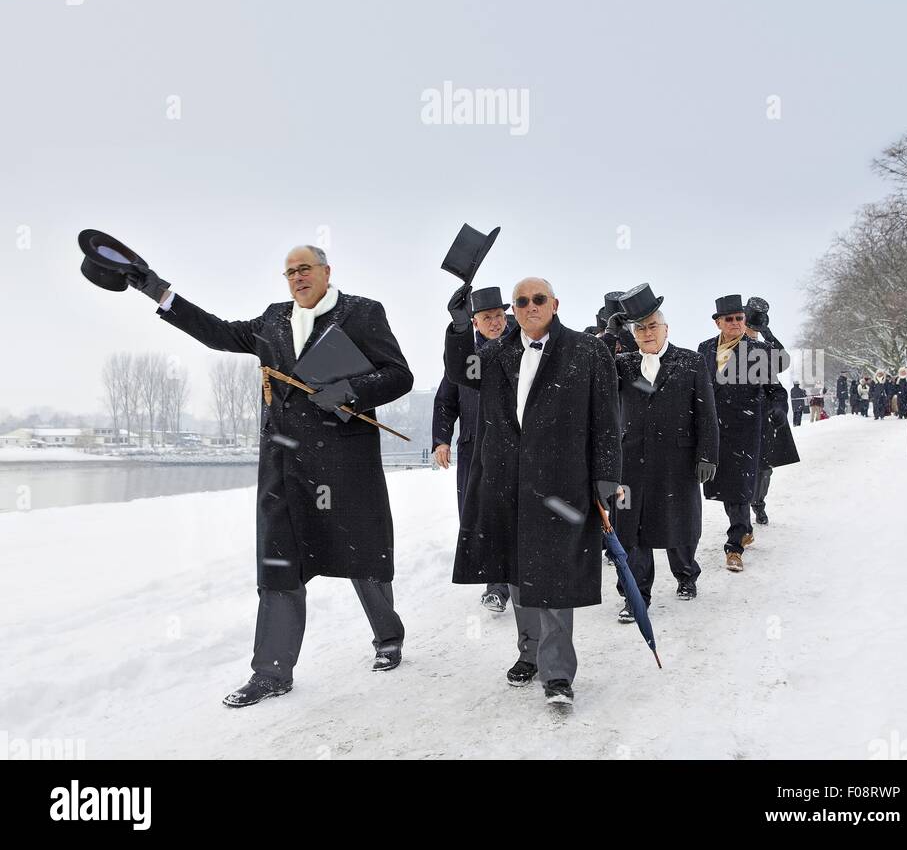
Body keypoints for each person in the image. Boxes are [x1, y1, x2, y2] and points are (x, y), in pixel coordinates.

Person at [128, 243, 413, 707]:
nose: (297, 277)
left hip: (344, 460)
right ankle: (272, 672)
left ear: (326, 271)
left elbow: (398, 375)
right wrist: (160, 293)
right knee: (279, 561)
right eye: (289, 272)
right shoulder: (272, 319)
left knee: (361, 551)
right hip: (285, 462)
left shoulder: (362, 313)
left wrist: (348, 390)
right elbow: (218, 333)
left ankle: (388, 637)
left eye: (305, 269)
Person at [443, 275, 621, 707]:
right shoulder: (497, 351)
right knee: (519, 573)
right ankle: (530, 653)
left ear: (555, 304)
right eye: (521, 301)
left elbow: (606, 419)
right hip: (507, 480)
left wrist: (607, 478)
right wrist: (459, 326)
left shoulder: (587, 350)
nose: (529, 307)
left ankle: (558, 673)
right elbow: (459, 373)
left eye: (538, 299)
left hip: (564, 482)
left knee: (556, 577)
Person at [604, 284, 718, 608]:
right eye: (639, 327)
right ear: (633, 333)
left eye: (652, 325)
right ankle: (636, 596)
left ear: (666, 328)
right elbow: (594, 370)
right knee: (632, 532)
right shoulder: (623, 365)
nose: (646, 332)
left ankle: (686, 575)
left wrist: (708, 454)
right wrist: (610, 336)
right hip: (632, 464)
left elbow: (707, 415)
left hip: (676, 462)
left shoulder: (692, 362)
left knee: (679, 528)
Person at [432, 285, 513, 613]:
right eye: (487, 318)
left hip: (512, 448)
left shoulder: (519, 349)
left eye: (498, 316)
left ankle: (503, 585)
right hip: (474, 450)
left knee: (509, 514)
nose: (495, 322)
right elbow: (445, 401)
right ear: (475, 323)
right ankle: (496, 582)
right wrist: (441, 439)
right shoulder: (464, 357)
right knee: (479, 515)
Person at [698, 295, 786, 572]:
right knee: (725, 488)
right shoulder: (704, 349)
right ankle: (744, 528)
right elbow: (696, 387)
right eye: (729, 319)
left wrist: (779, 409)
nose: (735, 323)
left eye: (739, 318)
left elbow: (776, 390)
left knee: (738, 489)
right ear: (718, 323)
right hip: (714, 431)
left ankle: (734, 546)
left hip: (746, 429)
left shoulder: (756, 351)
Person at [743, 297, 797, 527]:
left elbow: (783, 362)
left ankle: (759, 502)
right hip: (738, 414)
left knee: (764, 468)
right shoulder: (730, 345)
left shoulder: (765, 348)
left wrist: (767, 332)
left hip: (765, 413)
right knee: (742, 466)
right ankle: (740, 509)